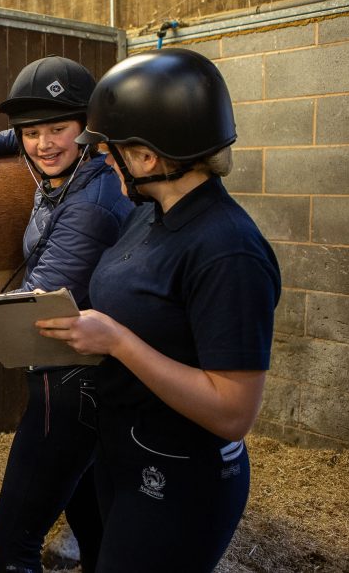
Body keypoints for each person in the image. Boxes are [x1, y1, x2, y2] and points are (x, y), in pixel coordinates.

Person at [37, 48, 281, 572]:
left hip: (180, 482)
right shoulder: (150, 214)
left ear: (147, 157)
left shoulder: (226, 249)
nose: (102, 159)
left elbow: (233, 412)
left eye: (109, 148)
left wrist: (117, 341)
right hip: (125, 454)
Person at [0, 55, 133, 573]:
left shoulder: (90, 205)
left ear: (87, 130)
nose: (43, 143)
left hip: (70, 376)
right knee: (89, 514)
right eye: (32, 132)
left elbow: (37, 299)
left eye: (58, 129)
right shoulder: (72, 169)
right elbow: (28, 140)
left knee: (12, 540)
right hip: (82, 375)